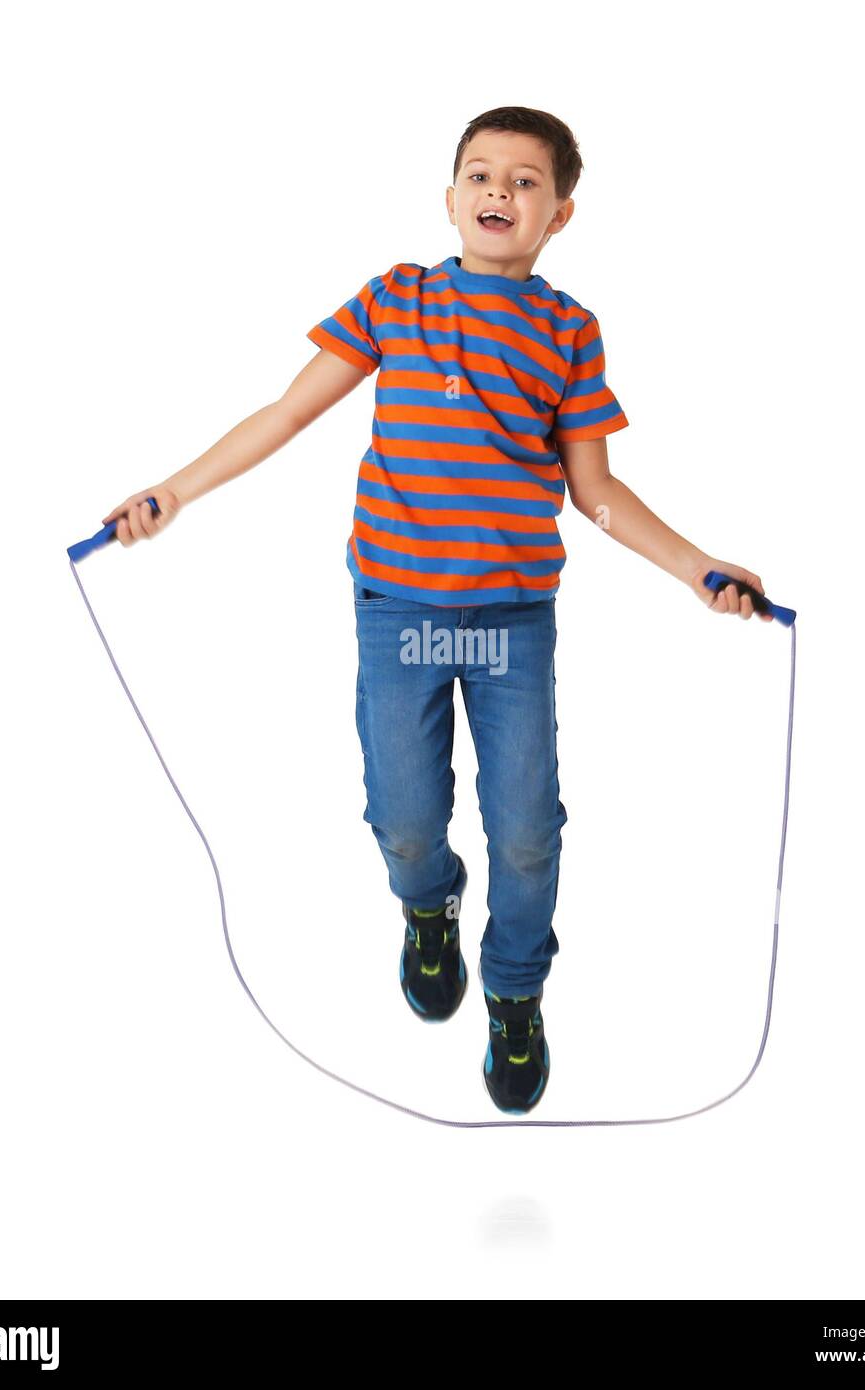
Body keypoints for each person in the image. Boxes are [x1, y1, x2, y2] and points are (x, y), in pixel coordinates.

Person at [100, 105, 773, 1116]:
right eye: (481, 174)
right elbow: (286, 411)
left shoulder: (568, 331)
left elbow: (594, 490)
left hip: (510, 621)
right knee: (407, 820)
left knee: (528, 829)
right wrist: (173, 490)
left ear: (561, 214)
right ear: (450, 198)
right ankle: (427, 909)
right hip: (397, 609)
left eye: (526, 182)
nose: (500, 191)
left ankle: (513, 986)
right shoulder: (399, 299)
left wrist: (697, 566)